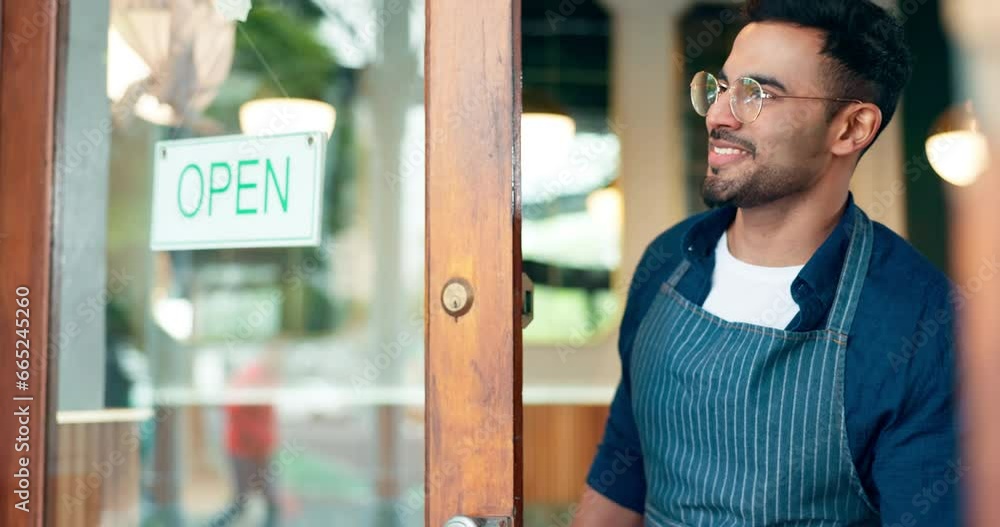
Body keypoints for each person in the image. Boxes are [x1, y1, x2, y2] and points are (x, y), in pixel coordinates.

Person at [572, 1, 961, 526]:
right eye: (722, 87)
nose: (718, 115)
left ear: (851, 128)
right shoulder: (669, 261)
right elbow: (620, 477)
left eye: (758, 94)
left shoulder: (919, 322)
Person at [212, 344, 282, 527]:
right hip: (242, 445)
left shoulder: (268, 376)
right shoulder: (251, 374)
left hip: (259, 446)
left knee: (267, 494)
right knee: (242, 495)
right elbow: (231, 405)